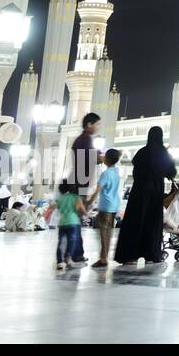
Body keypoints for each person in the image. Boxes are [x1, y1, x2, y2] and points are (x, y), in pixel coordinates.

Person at [114, 127, 176, 265]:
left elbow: (135, 172)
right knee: (152, 222)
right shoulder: (162, 153)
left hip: (139, 193)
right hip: (155, 193)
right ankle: (150, 255)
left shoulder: (141, 152)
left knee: (135, 221)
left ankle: (130, 256)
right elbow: (171, 172)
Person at [65, 112, 102, 263]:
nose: (98, 127)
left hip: (77, 182)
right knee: (76, 219)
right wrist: (100, 157)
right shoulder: (85, 140)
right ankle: (73, 253)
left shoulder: (82, 140)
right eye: (97, 124)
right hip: (79, 184)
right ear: (89, 124)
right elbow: (92, 159)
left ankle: (74, 253)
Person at [91, 148, 122, 268]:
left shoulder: (106, 174)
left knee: (104, 232)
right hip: (114, 205)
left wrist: (89, 202)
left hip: (105, 206)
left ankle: (103, 259)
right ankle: (104, 257)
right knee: (108, 232)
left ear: (108, 159)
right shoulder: (116, 172)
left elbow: (97, 190)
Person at [54, 183, 85, 271]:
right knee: (72, 241)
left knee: (61, 242)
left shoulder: (60, 198)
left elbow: (57, 208)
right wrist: (86, 214)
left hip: (62, 222)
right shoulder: (75, 197)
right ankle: (69, 258)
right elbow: (81, 209)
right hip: (73, 222)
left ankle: (60, 262)